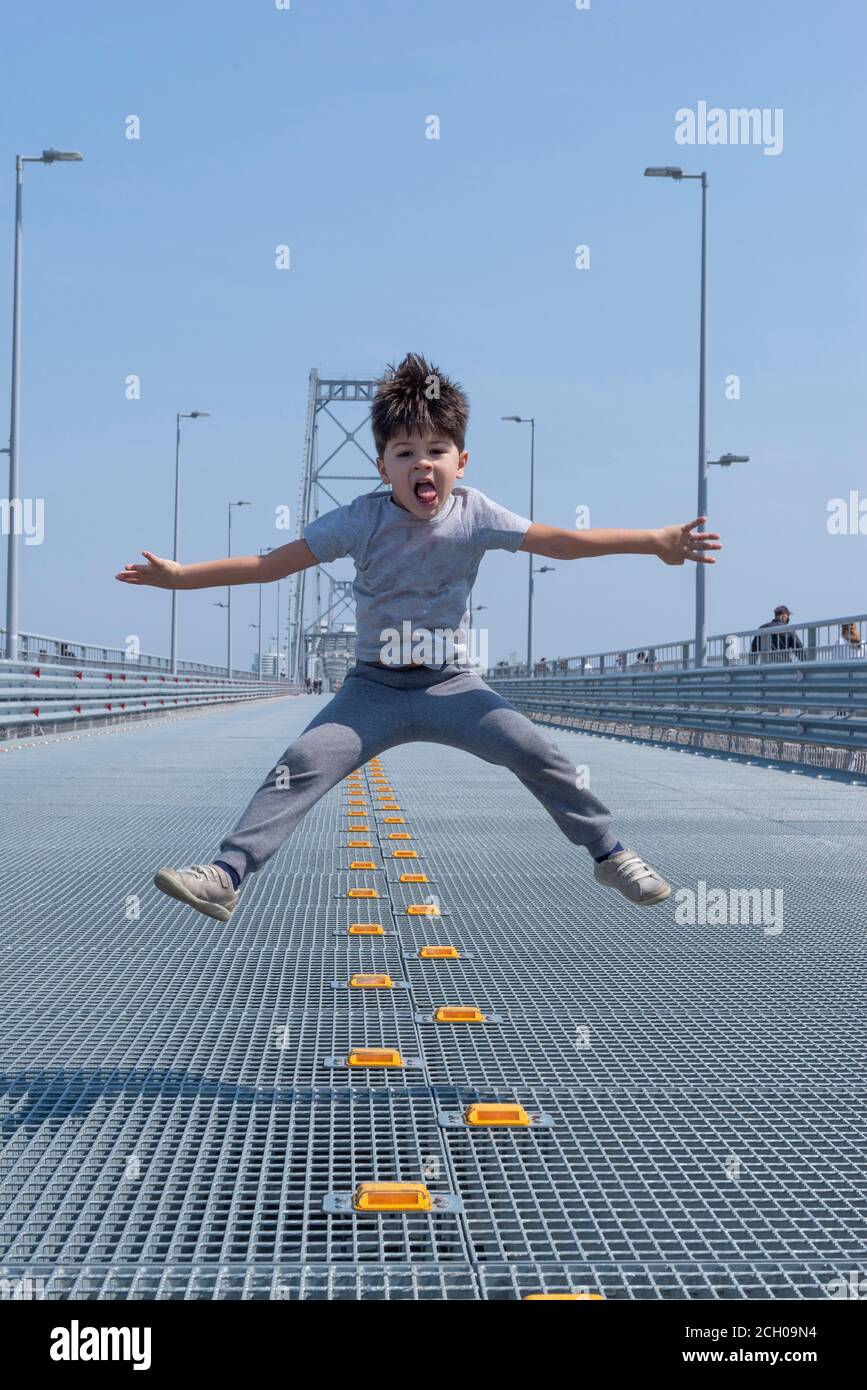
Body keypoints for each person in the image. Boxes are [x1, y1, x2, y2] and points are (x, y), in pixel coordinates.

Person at [116, 352, 721, 922]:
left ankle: (611, 854)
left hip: (453, 688)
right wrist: (178, 579)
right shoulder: (362, 517)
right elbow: (271, 564)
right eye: (405, 453)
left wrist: (656, 541)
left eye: (437, 450)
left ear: (462, 461)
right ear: (383, 468)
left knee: (537, 752)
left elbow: (561, 542)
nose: (422, 464)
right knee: (300, 763)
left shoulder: (476, 513)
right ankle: (226, 875)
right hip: (371, 691)